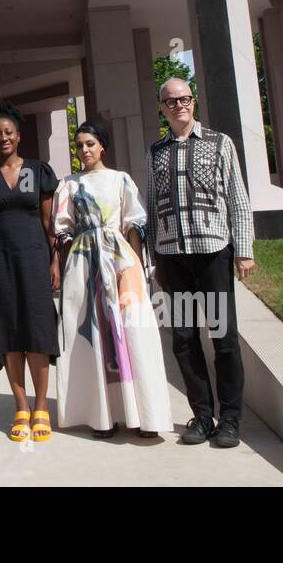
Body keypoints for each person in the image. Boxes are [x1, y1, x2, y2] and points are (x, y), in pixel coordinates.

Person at [144, 77, 255, 448]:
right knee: (184, 340)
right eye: (171, 101)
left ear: (194, 102)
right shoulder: (155, 151)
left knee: (223, 340)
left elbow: (238, 198)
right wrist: (154, 258)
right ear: (162, 107)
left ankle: (231, 421)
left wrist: (244, 249)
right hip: (173, 259)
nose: (179, 105)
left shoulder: (220, 143)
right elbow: (152, 209)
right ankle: (203, 416)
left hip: (213, 253)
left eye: (184, 99)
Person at [53, 120, 173, 439]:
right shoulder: (68, 185)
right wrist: (71, 261)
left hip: (122, 261)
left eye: (90, 144)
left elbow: (135, 223)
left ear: (102, 146)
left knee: (132, 332)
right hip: (83, 265)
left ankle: (144, 415)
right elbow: (61, 228)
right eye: (79, 145)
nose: (84, 150)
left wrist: (133, 267)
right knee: (93, 338)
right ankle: (103, 416)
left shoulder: (120, 180)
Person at [0, 99, 61, 444]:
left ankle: (41, 407)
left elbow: (50, 221)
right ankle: (20, 408)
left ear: (19, 135)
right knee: (8, 332)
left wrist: (55, 259)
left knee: (37, 330)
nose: (2, 138)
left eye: (8, 132)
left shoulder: (37, 171)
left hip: (34, 259)